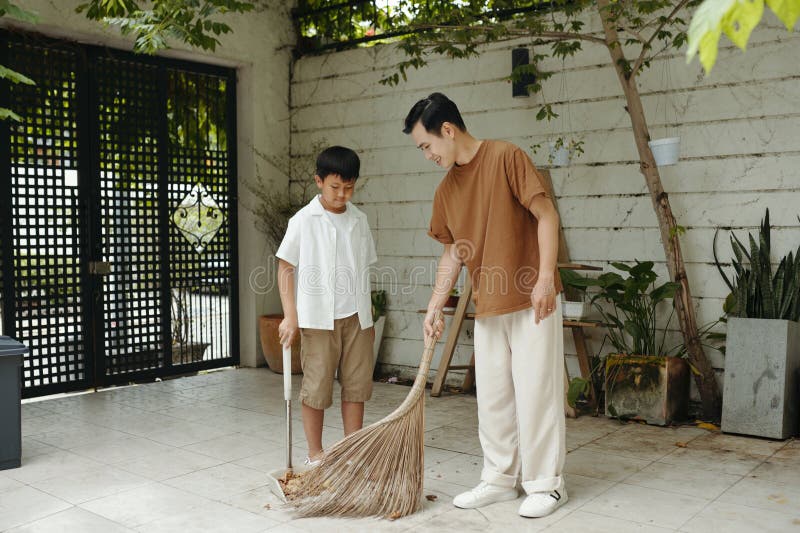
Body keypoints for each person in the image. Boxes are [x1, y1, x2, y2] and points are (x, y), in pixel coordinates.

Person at [403, 93, 567, 518]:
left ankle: (547, 485)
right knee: (492, 397)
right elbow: (453, 253)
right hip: (490, 303)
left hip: (534, 299)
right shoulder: (446, 191)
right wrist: (435, 306)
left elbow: (546, 215)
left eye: (426, 145)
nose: (427, 155)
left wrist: (546, 280)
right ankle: (499, 479)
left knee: (537, 392)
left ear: (448, 130)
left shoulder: (506, 157)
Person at [275, 145, 377, 466]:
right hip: (318, 320)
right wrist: (290, 316)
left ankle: (352, 453)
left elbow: (364, 269)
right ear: (319, 181)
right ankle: (315, 455)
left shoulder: (359, 220)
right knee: (316, 388)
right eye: (335, 187)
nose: (342, 195)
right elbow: (285, 268)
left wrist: (369, 320)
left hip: (356, 318)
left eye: (349, 187)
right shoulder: (303, 220)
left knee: (356, 387)